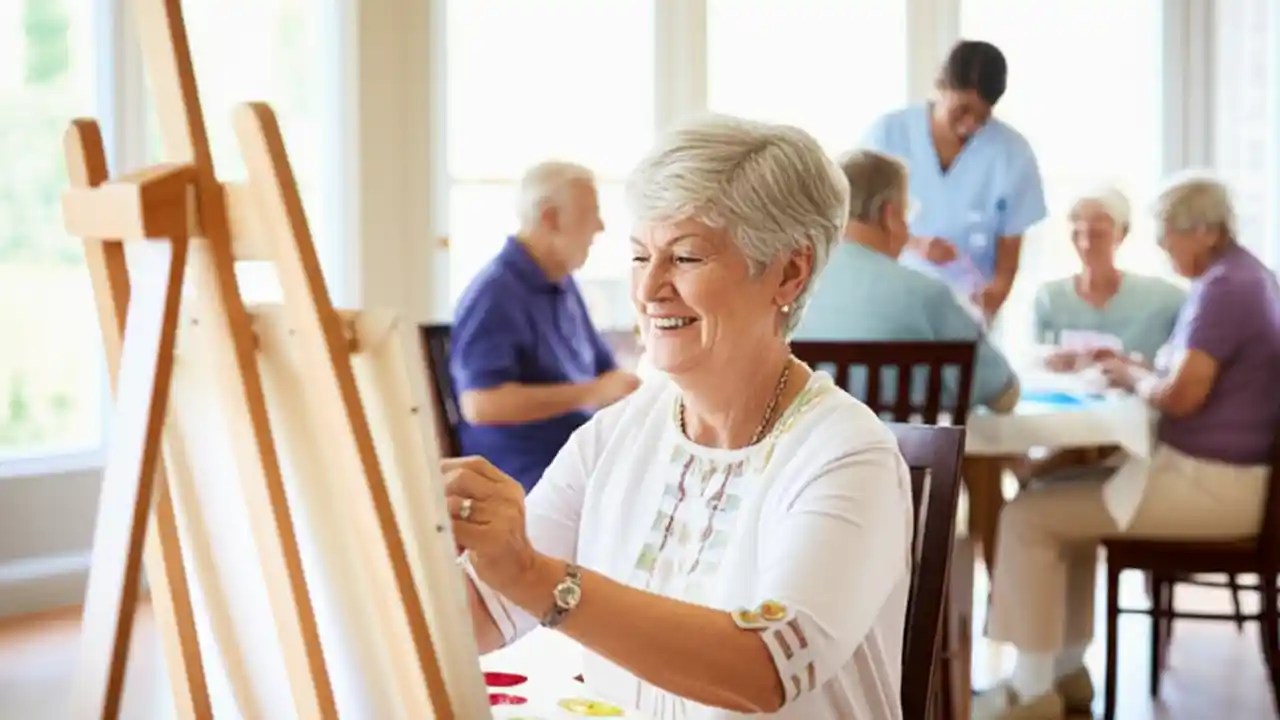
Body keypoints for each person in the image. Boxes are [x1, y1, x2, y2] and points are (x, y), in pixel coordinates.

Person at [445, 115, 914, 719]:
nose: (649, 290)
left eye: (686, 257)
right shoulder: (618, 433)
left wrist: (538, 579)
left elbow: (766, 669)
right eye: (642, 256)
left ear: (790, 273)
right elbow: (485, 607)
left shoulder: (846, 454)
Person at [976, 172, 1280, 719]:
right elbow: (1186, 375)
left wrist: (1134, 378)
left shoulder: (1224, 290)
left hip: (1211, 485)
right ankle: (1065, 674)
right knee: (1052, 492)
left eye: (1170, 236)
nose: (1163, 249)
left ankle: (1030, 690)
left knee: (1030, 515)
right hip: (1223, 479)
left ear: (1206, 232)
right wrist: (1136, 368)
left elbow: (1180, 396)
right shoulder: (1245, 278)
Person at [449, 161, 640, 492]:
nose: (600, 226)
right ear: (551, 218)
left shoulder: (564, 284)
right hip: (527, 474)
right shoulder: (495, 292)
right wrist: (592, 393)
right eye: (589, 213)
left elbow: (606, 375)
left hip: (573, 458)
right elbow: (481, 404)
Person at [797, 148, 1020, 413]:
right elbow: (1004, 393)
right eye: (906, 215)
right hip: (910, 454)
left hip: (814, 452)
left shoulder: (792, 290)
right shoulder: (927, 295)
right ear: (889, 215)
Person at [860, 39, 1046, 320]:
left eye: (982, 117)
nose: (969, 124)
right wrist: (916, 244)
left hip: (966, 312)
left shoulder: (1012, 154)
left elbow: (1008, 255)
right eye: (961, 110)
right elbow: (858, 226)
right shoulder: (888, 135)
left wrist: (993, 296)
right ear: (940, 87)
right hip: (890, 305)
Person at [1035, 186, 1186, 369]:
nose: (1086, 244)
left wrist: (1135, 367)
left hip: (1138, 394)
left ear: (1122, 233)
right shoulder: (1050, 298)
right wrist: (1050, 361)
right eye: (1078, 230)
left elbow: (1181, 370)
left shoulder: (1166, 300)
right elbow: (1036, 365)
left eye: (1097, 233)